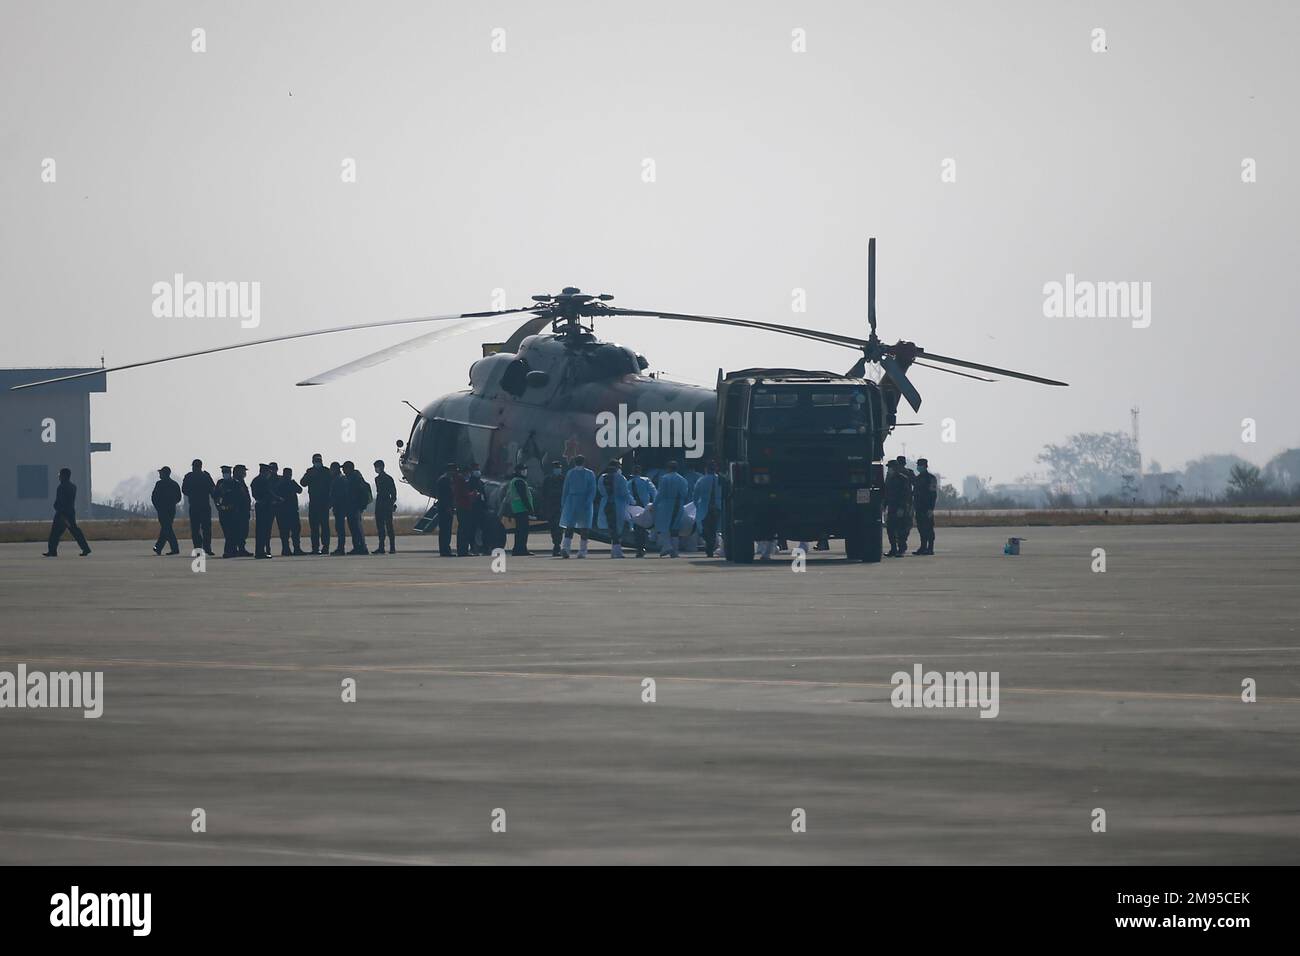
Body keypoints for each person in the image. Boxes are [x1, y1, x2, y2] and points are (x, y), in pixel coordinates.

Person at [43, 467, 91, 557]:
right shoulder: (73, 487)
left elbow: (60, 501)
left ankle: (52, 551)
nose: (59, 477)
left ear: (64, 476)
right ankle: (86, 548)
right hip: (70, 513)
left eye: (60, 475)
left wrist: (58, 510)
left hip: (62, 514)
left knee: (55, 534)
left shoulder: (61, 487)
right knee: (76, 531)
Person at [559, 454, 597, 558]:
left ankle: (570, 549)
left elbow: (565, 490)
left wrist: (563, 504)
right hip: (577, 501)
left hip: (575, 501)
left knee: (573, 526)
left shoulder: (573, 473)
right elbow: (592, 489)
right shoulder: (587, 473)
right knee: (579, 527)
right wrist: (588, 502)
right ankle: (577, 550)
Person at [654, 460, 690, 558]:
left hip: (666, 504)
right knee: (675, 528)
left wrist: (654, 505)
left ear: (668, 468)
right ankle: (675, 551)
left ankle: (667, 546)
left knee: (663, 526)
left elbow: (660, 494)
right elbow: (685, 493)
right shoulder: (682, 479)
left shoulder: (664, 478)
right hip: (679, 504)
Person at [595, 460, 631, 558]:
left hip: (606, 504)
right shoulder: (620, 477)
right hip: (617, 505)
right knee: (618, 528)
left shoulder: (602, 478)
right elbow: (625, 492)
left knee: (612, 527)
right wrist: (632, 502)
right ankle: (617, 551)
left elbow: (601, 491)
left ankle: (615, 550)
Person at [181, 459, 216, 556]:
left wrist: (192, 494)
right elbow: (212, 489)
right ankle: (207, 548)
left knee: (195, 529)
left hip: (194, 505)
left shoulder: (189, 477)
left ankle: (198, 549)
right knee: (206, 528)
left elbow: (184, 490)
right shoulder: (206, 476)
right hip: (204, 505)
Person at [501, 464, 537, 555]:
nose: (525, 471)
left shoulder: (514, 481)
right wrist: (530, 509)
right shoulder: (519, 482)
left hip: (517, 509)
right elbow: (523, 497)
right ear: (518, 471)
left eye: (525, 469)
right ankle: (521, 549)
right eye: (523, 470)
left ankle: (517, 549)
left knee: (519, 530)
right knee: (523, 531)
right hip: (521, 509)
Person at [301, 453, 333, 555]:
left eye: (319, 460)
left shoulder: (327, 472)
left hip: (324, 503)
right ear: (313, 461)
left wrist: (330, 501)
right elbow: (303, 483)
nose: (318, 462)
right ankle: (315, 548)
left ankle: (325, 547)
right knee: (314, 527)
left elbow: (332, 487)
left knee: (325, 527)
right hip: (314, 503)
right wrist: (310, 476)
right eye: (316, 461)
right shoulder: (310, 471)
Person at [883, 455, 914, 558]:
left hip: (900, 508)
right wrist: (884, 506)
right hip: (892, 507)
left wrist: (902, 508)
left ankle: (901, 548)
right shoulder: (889, 479)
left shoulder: (903, 479)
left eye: (890, 467)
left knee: (901, 529)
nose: (889, 469)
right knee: (890, 529)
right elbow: (886, 494)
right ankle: (893, 549)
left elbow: (906, 494)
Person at [625, 460, 656, 558]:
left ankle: (640, 548)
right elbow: (654, 492)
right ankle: (642, 547)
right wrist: (654, 504)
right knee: (644, 527)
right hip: (645, 507)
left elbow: (626, 496)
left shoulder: (628, 483)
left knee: (637, 528)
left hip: (634, 508)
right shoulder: (646, 480)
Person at [693, 460, 723, 558]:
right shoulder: (721, 479)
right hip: (717, 507)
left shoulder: (701, 480)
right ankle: (710, 546)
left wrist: (698, 506)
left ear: (706, 469)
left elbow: (695, 496)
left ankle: (709, 545)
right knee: (713, 529)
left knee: (705, 528)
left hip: (705, 508)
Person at [151, 466, 182, 555]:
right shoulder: (174, 484)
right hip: (171, 509)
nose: (159, 474)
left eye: (161, 473)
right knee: (166, 528)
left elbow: (154, 497)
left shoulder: (160, 484)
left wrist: (158, 507)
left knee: (167, 528)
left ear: (165, 474)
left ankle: (174, 548)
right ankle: (158, 547)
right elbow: (178, 498)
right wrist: (172, 503)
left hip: (163, 510)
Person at [250, 463, 279, 559]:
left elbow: (254, 494)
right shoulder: (264, 481)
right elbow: (269, 493)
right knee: (265, 530)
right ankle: (261, 552)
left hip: (260, 506)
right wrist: (278, 498)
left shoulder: (255, 481)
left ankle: (260, 551)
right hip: (265, 507)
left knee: (260, 530)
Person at [455, 462, 485, 556]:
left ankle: (465, 550)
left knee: (465, 530)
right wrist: (473, 495)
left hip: (468, 507)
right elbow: (464, 495)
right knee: (465, 530)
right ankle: (463, 550)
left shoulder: (473, 481)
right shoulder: (462, 481)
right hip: (465, 508)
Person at [276, 466, 306, 556]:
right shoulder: (285, 483)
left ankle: (289, 549)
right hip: (287, 511)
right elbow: (300, 490)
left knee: (291, 531)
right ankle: (290, 549)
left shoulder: (281, 483)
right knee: (290, 531)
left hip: (288, 511)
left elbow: (300, 490)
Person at [343, 460, 371, 554]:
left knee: (356, 528)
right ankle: (358, 547)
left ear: (349, 468)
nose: (343, 470)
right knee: (354, 528)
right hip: (352, 507)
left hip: (354, 507)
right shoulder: (353, 478)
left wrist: (359, 505)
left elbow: (356, 493)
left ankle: (361, 548)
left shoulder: (355, 479)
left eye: (344, 468)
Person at [912, 457, 939, 555]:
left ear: (925, 466)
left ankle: (930, 548)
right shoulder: (918, 478)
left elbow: (933, 494)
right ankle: (923, 547)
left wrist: (931, 508)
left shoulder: (930, 478)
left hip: (927, 507)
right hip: (919, 507)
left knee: (929, 528)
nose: (918, 467)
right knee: (921, 528)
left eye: (920, 465)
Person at [541, 459, 566, 557]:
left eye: (559, 468)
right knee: (553, 527)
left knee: (559, 528)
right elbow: (543, 494)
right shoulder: (547, 480)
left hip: (560, 507)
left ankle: (557, 546)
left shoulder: (563, 479)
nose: (558, 470)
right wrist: (543, 507)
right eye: (556, 468)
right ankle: (556, 544)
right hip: (551, 507)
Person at [373, 460, 397, 554]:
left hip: (385, 503)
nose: (376, 469)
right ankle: (382, 547)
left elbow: (393, 493)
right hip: (381, 503)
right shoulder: (377, 479)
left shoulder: (388, 479)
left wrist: (391, 503)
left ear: (382, 467)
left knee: (388, 527)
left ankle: (391, 547)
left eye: (377, 467)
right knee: (382, 527)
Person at [435, 462, 458, 557]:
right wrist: (448, 507)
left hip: (445, 507)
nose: (454, 473)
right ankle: (444, 550)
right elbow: (444, 496)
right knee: (445, 530)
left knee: (446, 530)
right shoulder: (444, 480)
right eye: (453, 470)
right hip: (445, 508)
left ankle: (445, 549)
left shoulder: (445, 479)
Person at [329, 461, 350, 555]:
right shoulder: (340, 478)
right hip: (340, 506)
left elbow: (338, 495)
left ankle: (341, 548)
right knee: (339, 528)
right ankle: (340, 547)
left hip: (340, 507)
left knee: (340, 528)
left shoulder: (339, 479)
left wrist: (331, 504)